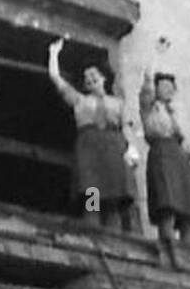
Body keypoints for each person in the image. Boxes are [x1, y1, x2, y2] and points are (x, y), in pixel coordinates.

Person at [47, 38, 136, 232]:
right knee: (92, 193)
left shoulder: (118, 103)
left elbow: (126, 127)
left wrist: (131, 149)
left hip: (113, 147)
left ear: (104, 78)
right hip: (90, 148)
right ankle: (93, 231)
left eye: (94, 75)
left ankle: (114, 238)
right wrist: (54, 53)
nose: (91, 79)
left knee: (112, 197)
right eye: (87, 77)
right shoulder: (79, 100)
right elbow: (55, 77)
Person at [139, 69, 190, 266]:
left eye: (171, 88)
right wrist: (148, 77)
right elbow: (145, 93)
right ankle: (168, 246)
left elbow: (181, 139)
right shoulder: (150, 108)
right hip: (162, 154)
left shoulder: (174, 113)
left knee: (187, 206)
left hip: (178, 157)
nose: (168, 91)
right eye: (164, 87)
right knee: (167, 201)